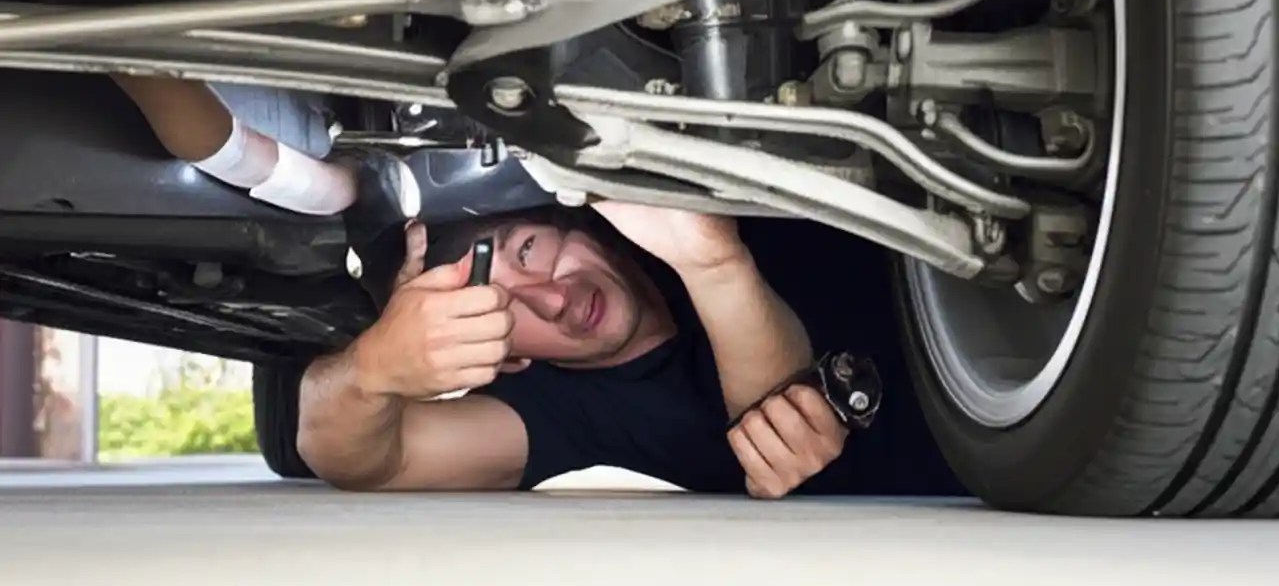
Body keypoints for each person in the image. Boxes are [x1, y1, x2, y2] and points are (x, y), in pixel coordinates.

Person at [297, 203, 963, 497]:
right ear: (503, 359)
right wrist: (374, 367)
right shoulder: (558, 408)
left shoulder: (675, 206)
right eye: (503, 309)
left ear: (573, 221)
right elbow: (359, 458)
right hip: (986, 480)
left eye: (529, 250)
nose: (549, 297)